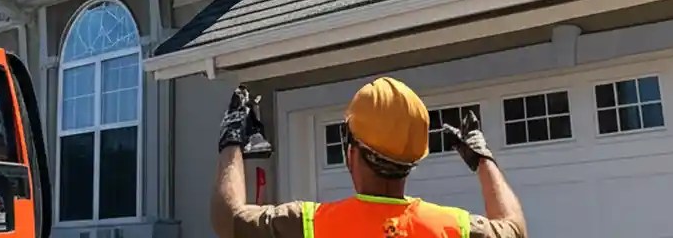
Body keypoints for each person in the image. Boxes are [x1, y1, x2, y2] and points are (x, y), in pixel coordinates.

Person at [210, 77, 527, 238]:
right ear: (413, 159)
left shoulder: (312, 225)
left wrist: (231, 138)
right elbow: (514, 229)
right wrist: (482, 159)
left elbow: (228, 218)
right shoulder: (451, 228)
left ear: (352, 152)